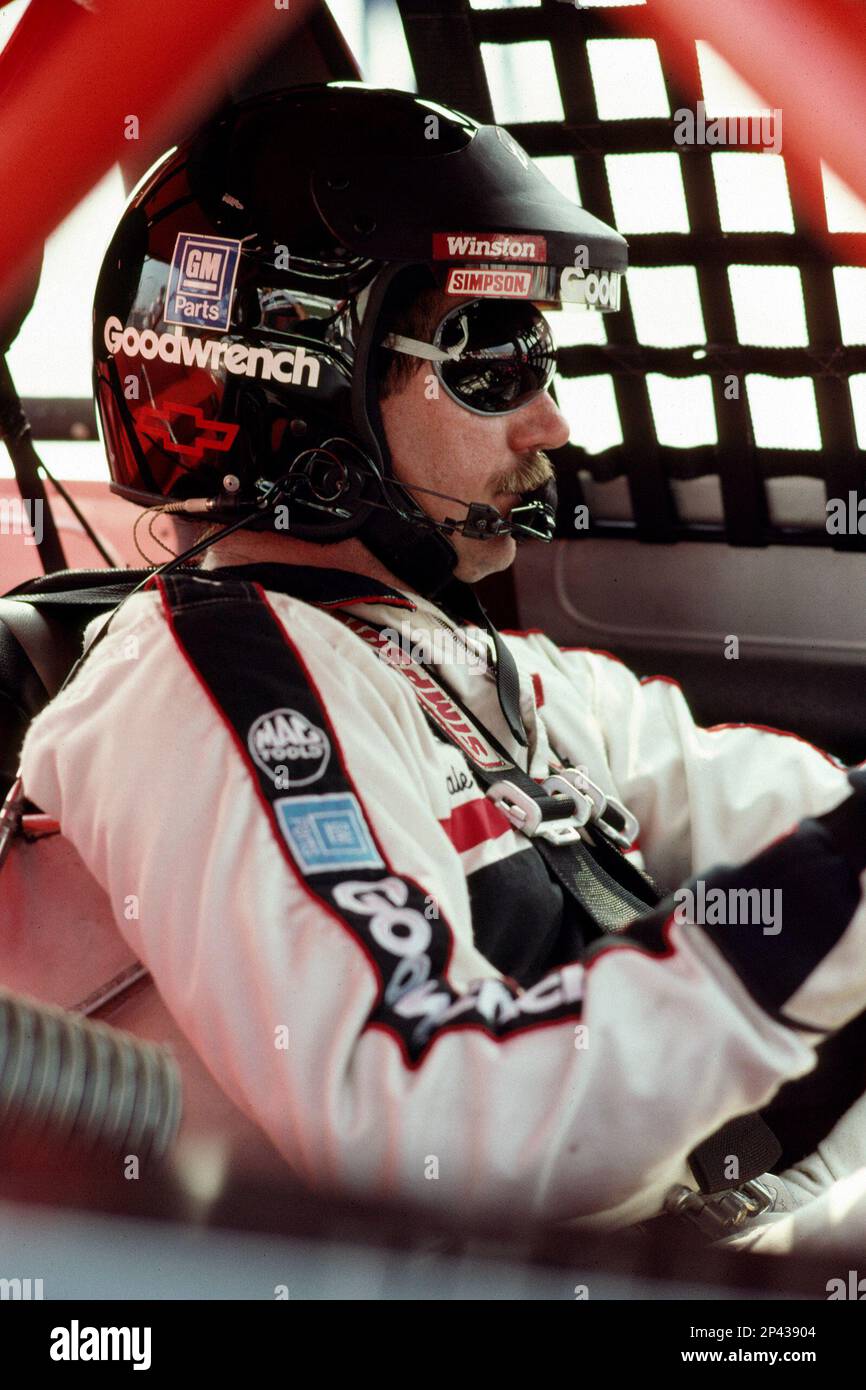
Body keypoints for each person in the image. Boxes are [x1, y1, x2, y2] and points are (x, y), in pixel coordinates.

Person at [17, 82, 866, 1255]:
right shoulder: (207, 684)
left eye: (542, 355)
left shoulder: (462, 660)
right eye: (489, 362)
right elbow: (422, 1128)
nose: (552, 422)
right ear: (305, 382)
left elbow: (749, 797)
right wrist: (813, 911)